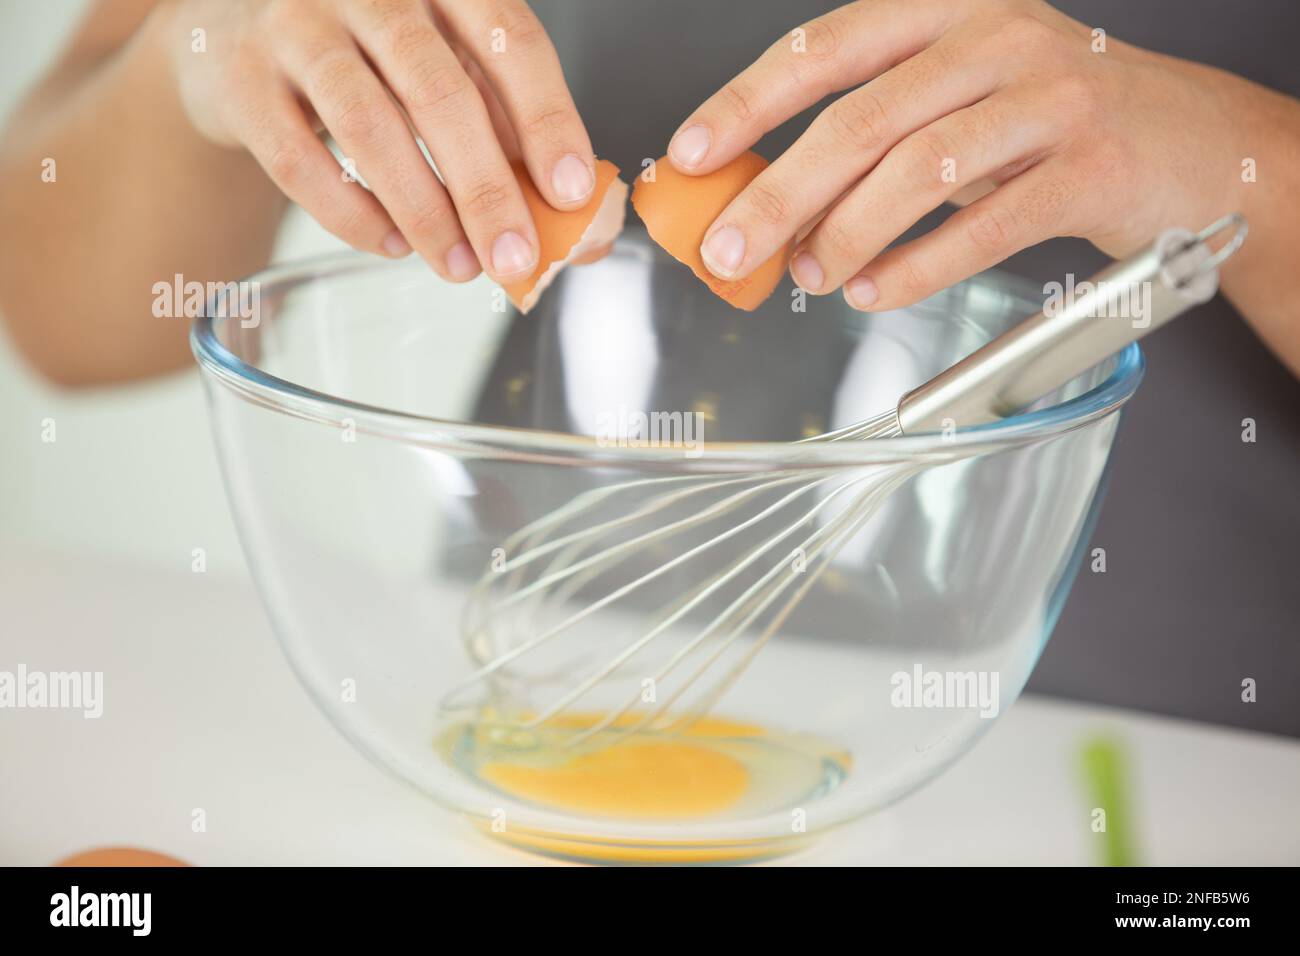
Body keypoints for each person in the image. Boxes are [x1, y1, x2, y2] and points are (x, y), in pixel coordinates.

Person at [0, 0, 1296, 731]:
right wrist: (194, 54)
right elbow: (67, 326)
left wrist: (1254, 159)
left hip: (1177, 768)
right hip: (541, 705)